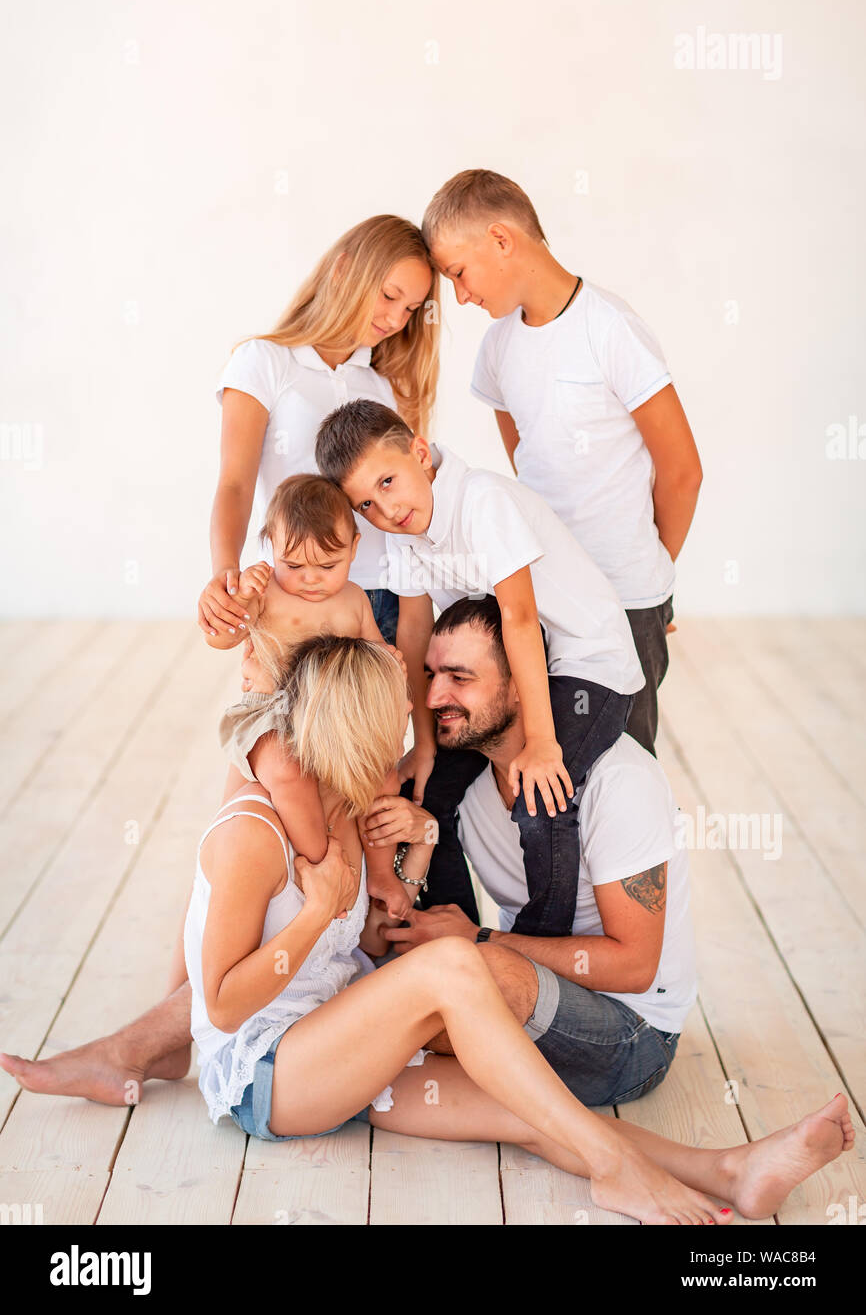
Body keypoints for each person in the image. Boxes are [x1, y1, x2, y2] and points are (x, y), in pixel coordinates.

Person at [2, 636, 853, 1225]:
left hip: (333, 1053)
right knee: (454, 969)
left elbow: (369, 946)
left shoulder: (341, 812)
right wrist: (308, 914)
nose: (409, 743)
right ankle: (616, 1172)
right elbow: (219, 1007)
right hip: (266, 1077)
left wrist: (415, 854)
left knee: (524, 1108)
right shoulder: (249, 836)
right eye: (394, 728)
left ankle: (730, 1173)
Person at [315, 398, 643, 936]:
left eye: (389, 482)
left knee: (539, 793)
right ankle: (454, 941)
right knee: (428, 794)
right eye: (366, 505)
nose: (385, 510)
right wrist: (423, 745)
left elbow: (518, 616)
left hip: (584, 665)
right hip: (511, 672)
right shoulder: (404, 537)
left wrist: (540, 741)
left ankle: (534, 953)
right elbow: (416, 634)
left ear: (420, 452)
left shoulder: (481, 500)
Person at [367, 595, 693, 1107]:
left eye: (459, 677)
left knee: (471, 972)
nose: (433, 698)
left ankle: (339, 1058)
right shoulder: (465, 781)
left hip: (631, 1032)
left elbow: (634, 966)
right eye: (431, 676)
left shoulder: (618, 778)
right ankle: (350, 1057)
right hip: (533, 995)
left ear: (522, 684)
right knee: (403, 963)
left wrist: (479, 938)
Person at [421, 169, 703, 756]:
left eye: (458, 273)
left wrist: (651, 579)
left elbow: (681, 470)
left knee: (621, 765)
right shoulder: (499, 349)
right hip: (545, 596)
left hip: (626, 595)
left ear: (501, 239)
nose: (462, 295)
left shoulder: (611, 329)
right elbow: (525, 463)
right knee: (548, 766)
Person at [197, 213, 439, 650]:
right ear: (344, 269)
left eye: (410, 308)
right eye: (388, 295)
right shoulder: (265, 362)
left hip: (383, 598)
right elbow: (235, 483)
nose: (396, 318)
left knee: (375, 720)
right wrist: (225, 572)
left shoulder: (382, 385)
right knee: (286, 717)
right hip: (292, 592)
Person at [207, 471, 411, 917]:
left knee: (384, 777)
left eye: (327, 566)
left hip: (338, 717)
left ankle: (379, 873)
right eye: (294, 565)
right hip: (272, 715)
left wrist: (391, 664)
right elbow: (224, 638)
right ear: (271, 550)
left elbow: (377, 651)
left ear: (354, 549)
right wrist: (241, 598)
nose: (311, 580)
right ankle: (321, 862)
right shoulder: (267, 594)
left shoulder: (355, 600)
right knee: (285, 769)